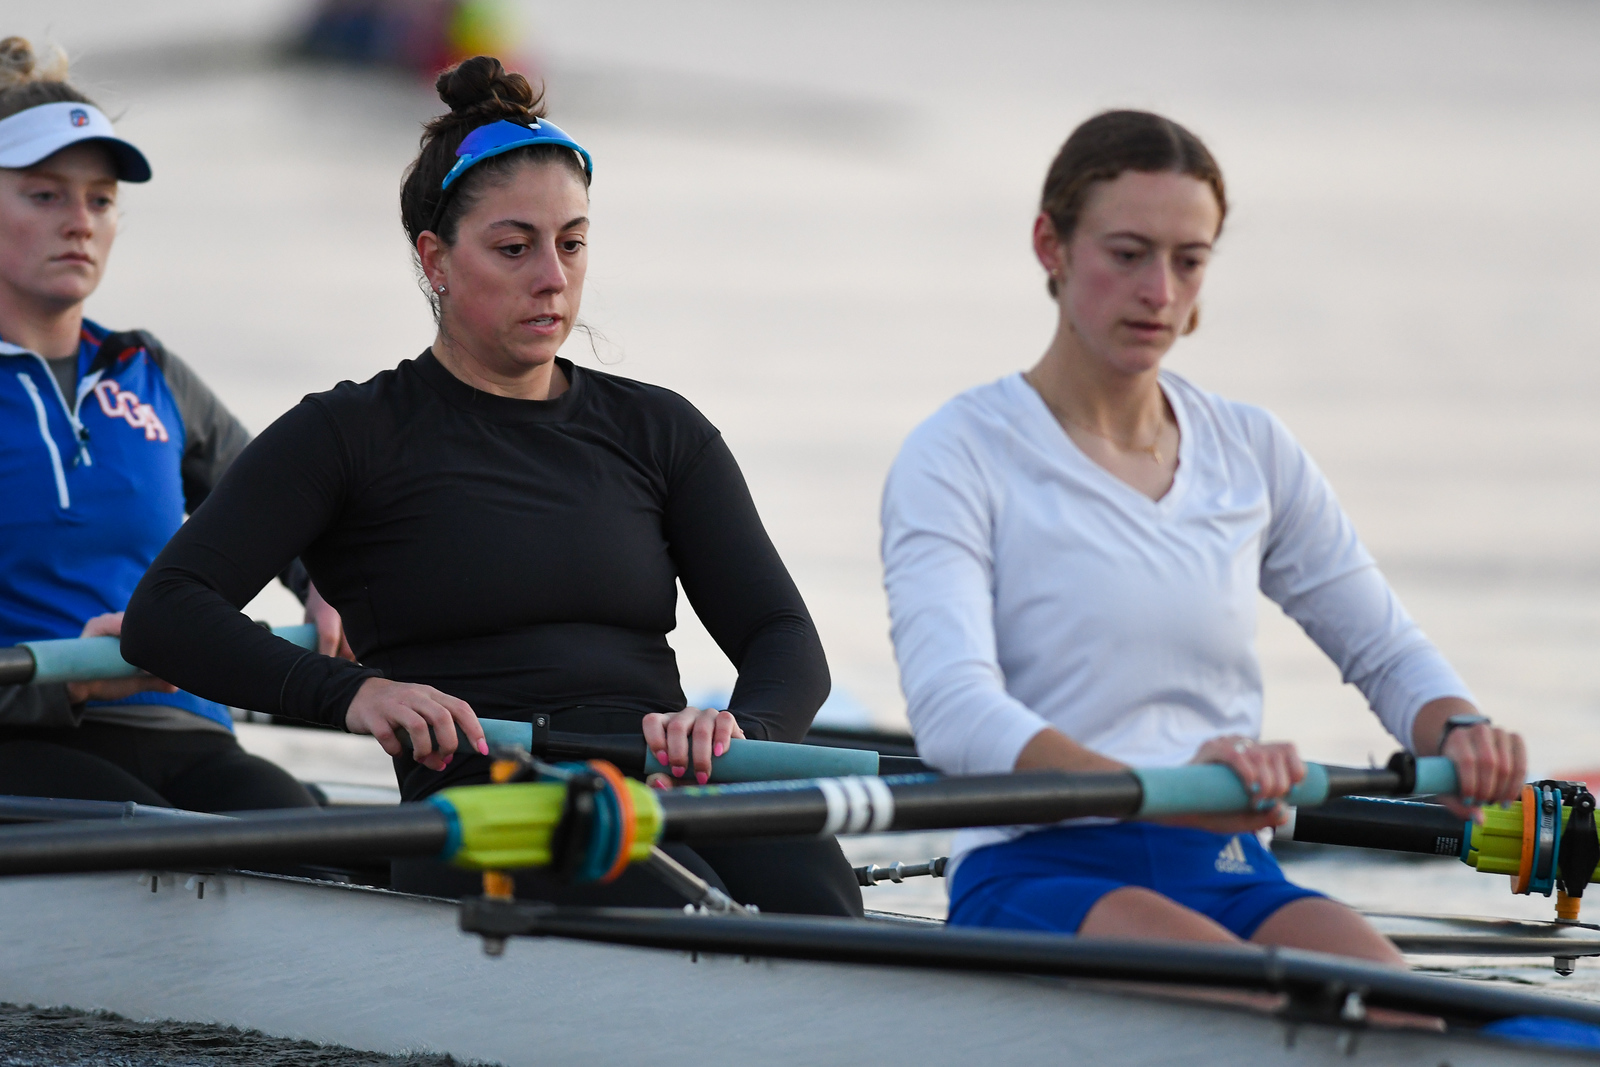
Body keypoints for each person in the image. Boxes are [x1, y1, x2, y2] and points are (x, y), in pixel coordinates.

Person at [123, 56, 861, 916]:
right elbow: (166, 611)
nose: (553, 276)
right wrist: (355, 693)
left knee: (810, 880)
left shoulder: (661, 431)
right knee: (677, 908)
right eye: (515, 247)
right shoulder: (349, 433)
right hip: (489, 805)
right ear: (435, 259)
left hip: (664, 783)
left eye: (573, 243)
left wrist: (741, 732)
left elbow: (782, 635)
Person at [880, 110, 1526, 962]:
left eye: (1190, 261)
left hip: (1226, 862)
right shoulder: (958, 453)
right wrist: (1164, 792)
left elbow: (1386, 651)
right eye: (1128, 254)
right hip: (1037, 867)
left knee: (1408, 1015)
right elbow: (956, 714)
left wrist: (1460, 732)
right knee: (1271, 1003)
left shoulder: (1250, 449)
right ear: (1051, 245)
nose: (1161, 293)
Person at [0, 36, 335, 812]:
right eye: (45, 194)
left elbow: (296, 512)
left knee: (312, 847)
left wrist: (330, 583)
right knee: (141, 838)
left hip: (194, 734)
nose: (80, 221)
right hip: (28, 740)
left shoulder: (151, 373)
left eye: (101, 198)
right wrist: (73, 676)